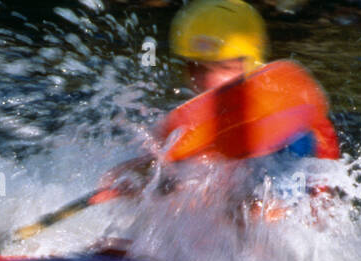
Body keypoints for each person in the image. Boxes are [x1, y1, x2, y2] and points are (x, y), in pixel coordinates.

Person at [101, 0, 340, 224]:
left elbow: (276, 214)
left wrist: (187, 193)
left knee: (242, 211)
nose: (207, 80)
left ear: (250, 65)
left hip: (285, 231)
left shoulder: (283, 121)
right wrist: (141, 179)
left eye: (224, 67)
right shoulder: (201, 119)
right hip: (226, 231)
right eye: (196, 67)